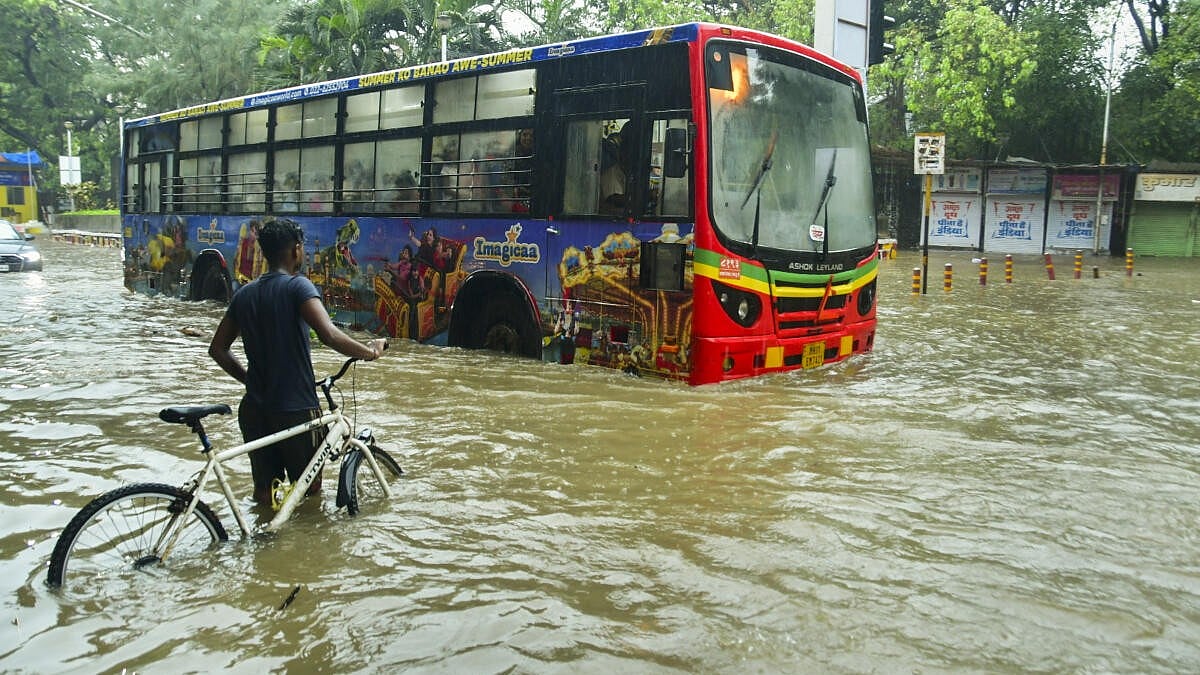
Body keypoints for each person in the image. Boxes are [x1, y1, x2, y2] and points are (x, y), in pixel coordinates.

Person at [208, 218, 388, 507]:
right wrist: (369, 351)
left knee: (265, 493)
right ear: (295, 251)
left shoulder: (244, 294)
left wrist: (249, 380)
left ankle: (265, 541)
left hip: (254, 408)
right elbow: (329, 334)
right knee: (308, 489)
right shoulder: (298, 287)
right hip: (294, 409)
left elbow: (218, 349)